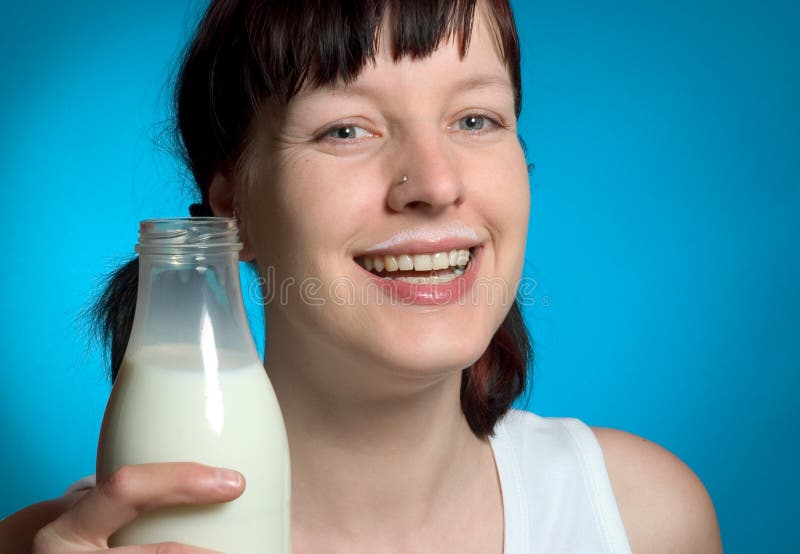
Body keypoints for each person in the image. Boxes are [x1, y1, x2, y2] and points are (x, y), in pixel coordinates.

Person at [0, 1, 722, 552]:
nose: (435, 184)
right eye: (345, 129)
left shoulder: (644, 520)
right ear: (232, 207)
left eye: (475, 120)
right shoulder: (59, 545)